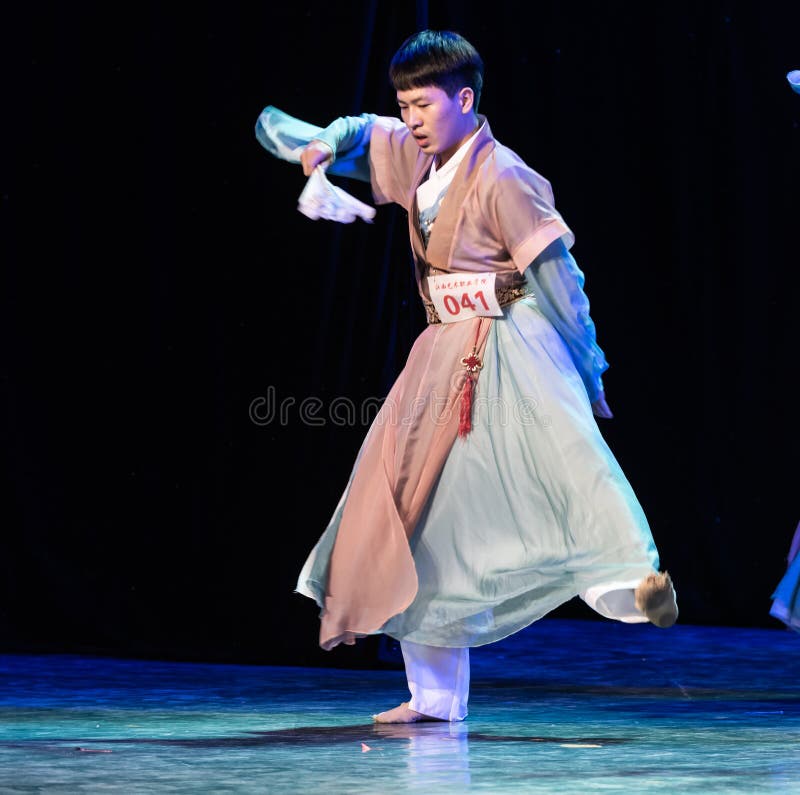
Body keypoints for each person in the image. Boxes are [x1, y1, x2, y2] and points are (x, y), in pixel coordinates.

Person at [255, 29, 678, 724]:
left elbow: (560, 280)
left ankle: (634, 587)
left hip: (514, 344)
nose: (411, 118)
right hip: (443, 354)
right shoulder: (413, 159)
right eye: (404, 104)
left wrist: (590, 363)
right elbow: (358, 133)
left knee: (567, 466)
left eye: (422, 104)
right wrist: (324, 144)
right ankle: (436, 696)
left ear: (465, 99)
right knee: (409, 510)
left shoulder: (504, 175)